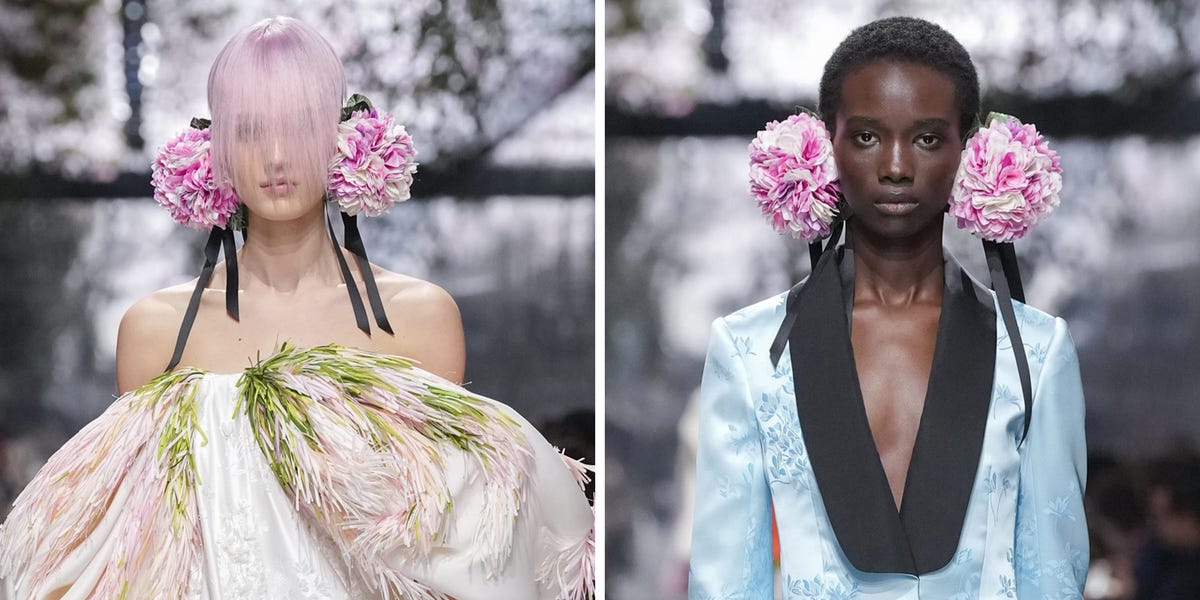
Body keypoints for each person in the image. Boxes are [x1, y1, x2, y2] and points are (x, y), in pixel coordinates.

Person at [0, 16, 593, 600]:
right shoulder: (156, 332)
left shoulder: (419, 318)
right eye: (252, 130)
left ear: (341, 139)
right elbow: (150, 551)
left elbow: (451, 547)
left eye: (300, 126)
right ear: (216, 145)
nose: (277, 156)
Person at [689, 16, 1087, 598]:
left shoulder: (1036, 353)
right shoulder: (750, 351)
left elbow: (1053, 580)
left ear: (971, 151)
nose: (897, 166)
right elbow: (724, 584)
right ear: (825, 147)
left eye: (927, 138)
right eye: (868, 137)